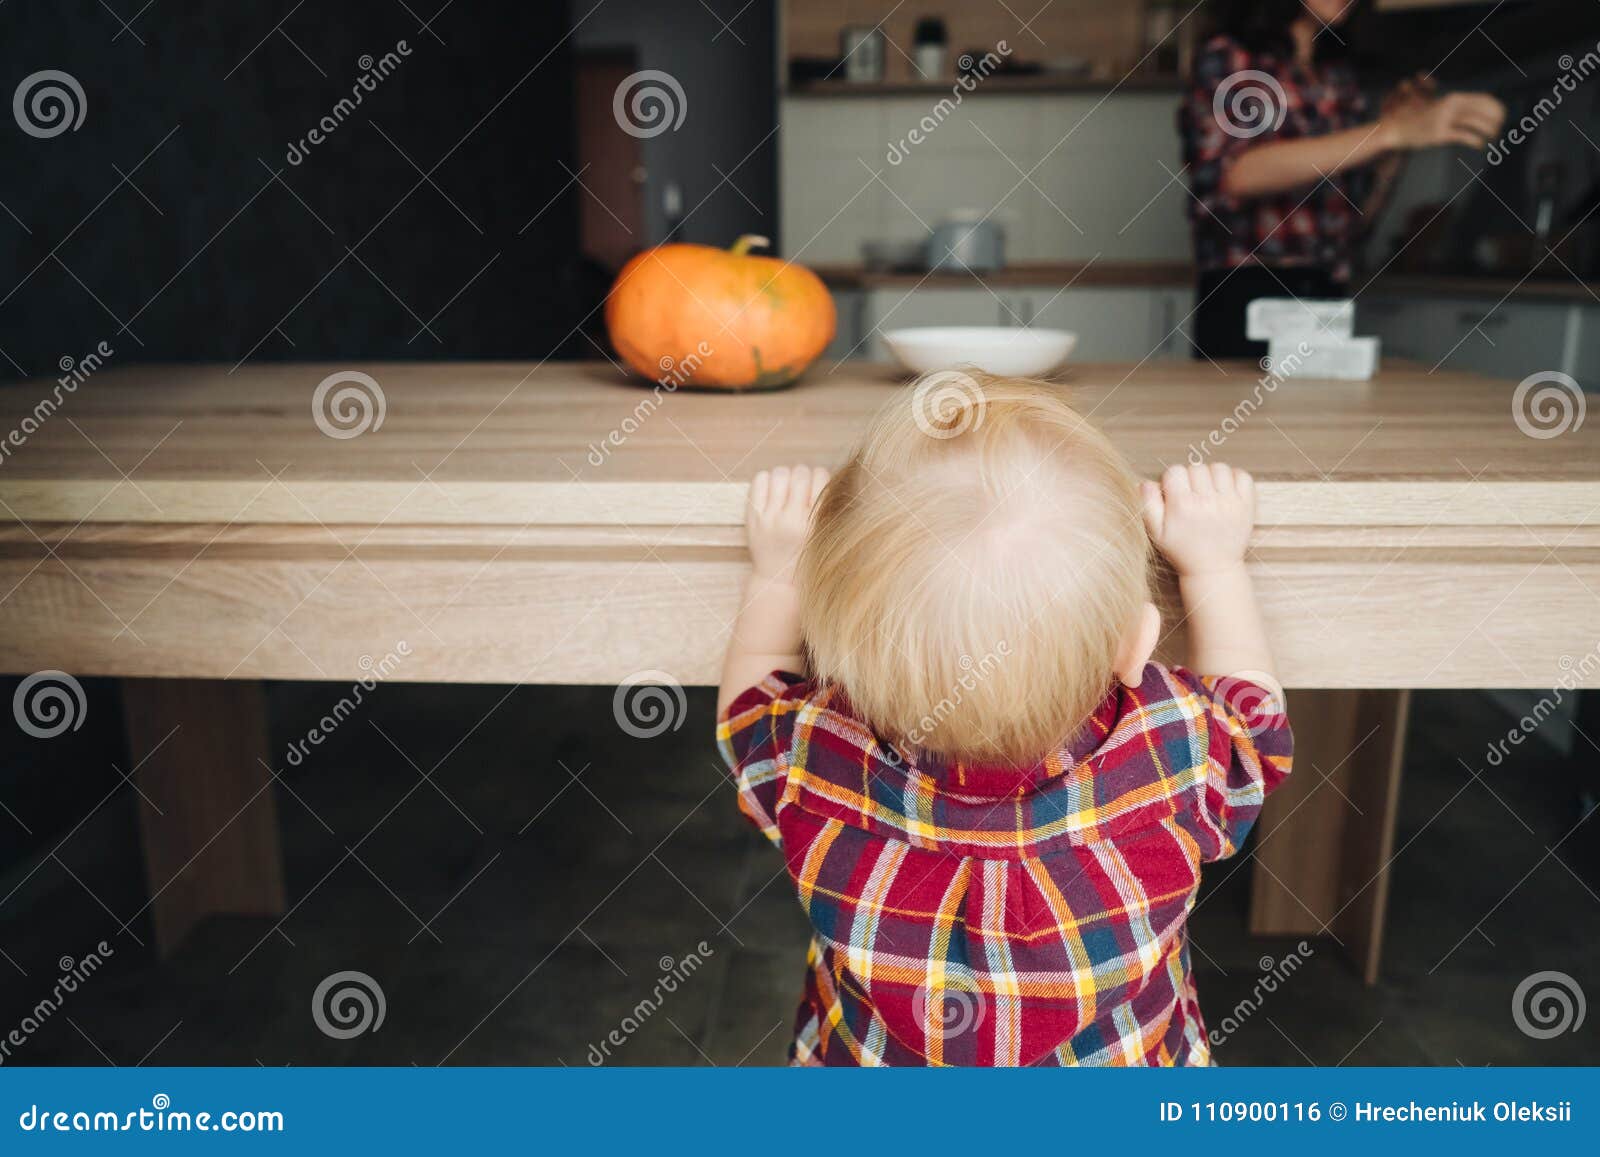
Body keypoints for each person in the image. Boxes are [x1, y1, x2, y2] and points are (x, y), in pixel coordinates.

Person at [715, 377, 1292, 1066]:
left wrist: (778, 573)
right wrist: (1215, 567)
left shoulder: (816, 752)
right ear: (1138, 644)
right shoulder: (1174, 749)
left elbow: (744, 713)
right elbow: (1253, 720)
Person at [1181, 0, 1507, 358]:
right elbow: (1236, 174)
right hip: (1242, 292)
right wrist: (1388, 132)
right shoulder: (1230, 56)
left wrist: (1393, 147)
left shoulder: (1337, 76)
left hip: (1326, 292)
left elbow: (1357, 220)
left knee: (1322, 415)